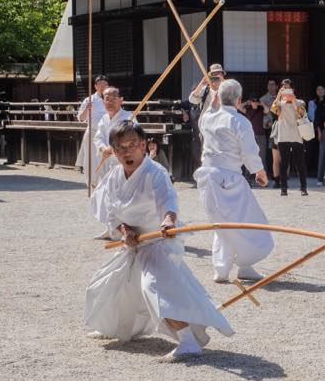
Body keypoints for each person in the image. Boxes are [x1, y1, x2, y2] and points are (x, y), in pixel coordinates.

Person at [85, 121, 233, 361]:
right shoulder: (114, 176)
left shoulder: (156, 173)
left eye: (132, 145)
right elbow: (112, 212)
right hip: (135, 244)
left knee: (153, 287)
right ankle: (116, 328)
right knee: (110, 285)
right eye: (120, 147)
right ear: (113, 150)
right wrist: (125, 230)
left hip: (158, 242)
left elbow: (168, 203)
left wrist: (168, 222)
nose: (127, 151)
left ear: (143, 145)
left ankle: (188, 341)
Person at [194, 79, 274, 283]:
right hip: (228, 178)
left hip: (207, 177)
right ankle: (236, 265)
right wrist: (260, 171)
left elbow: (205, 122)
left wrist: (213, 105)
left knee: (222, 223)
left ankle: (231, 268)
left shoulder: (207, 119)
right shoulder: (239, 121)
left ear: (218, 97)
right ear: (239, 99)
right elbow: (249, 152)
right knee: (248, 221)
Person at [271, 81, 308, 196]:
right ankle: (283, 188)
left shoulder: (300, 102)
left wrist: (293, 101)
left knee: (300, 163)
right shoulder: (279, 103)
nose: (286, 91)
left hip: (297, 135)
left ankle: (303, 187)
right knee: (284, 163)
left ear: (293, 90)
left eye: (288, 89)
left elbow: (301, 115)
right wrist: (279, 95)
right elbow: (274, 111)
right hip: (283, 135)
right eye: (284, 88)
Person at [93, 87, 134, 182]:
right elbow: (98, 138)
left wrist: (115, 148)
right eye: (107, 99)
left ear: (121, 100)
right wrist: (103, 148)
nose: (110, 102)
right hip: (106, 160)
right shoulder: (104, 118)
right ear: (103, 102)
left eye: (114, 99)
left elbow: (133, 139)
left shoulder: (129, 118)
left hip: (122, 162)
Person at [75, 74, 109, 175]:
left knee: (107, 160)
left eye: (105, 84)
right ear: (95, 86)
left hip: (107, 134)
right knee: (92, 161)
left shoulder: (111, 100)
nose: (102, 86)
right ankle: (92, 183)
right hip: (93, 133)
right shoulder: (89, 100)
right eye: (100, 84)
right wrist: (87, 109)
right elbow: (81, 118)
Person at [310, 85, 325, 184]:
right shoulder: (321, 103)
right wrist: (319, 131)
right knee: (323, 153)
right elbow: (317, 118)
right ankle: (320, 178)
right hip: (323, 130)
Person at [261, 79, 280, 187]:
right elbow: (262, 114)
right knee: (269, 152)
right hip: (268, 128)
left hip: (280, 127)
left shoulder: (281, 98)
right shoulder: (263, 99)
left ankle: (281, 175)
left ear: (277, 86)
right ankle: (270, 173)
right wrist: (267, 122)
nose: (271, 86)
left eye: (273, 84)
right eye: (269, 84)